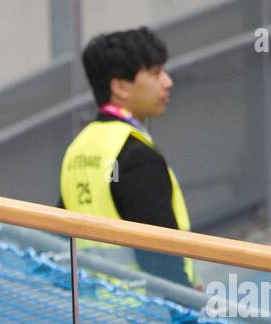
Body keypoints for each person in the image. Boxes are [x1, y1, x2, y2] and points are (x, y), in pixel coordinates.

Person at [60, 27, 198, 289]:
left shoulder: (78, 149)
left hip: (91, 314)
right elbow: (161, 259)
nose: (168, 82)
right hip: (144, 318)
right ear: (121, 87)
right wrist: (192, 321)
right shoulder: (136, 156)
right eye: (156, 73)